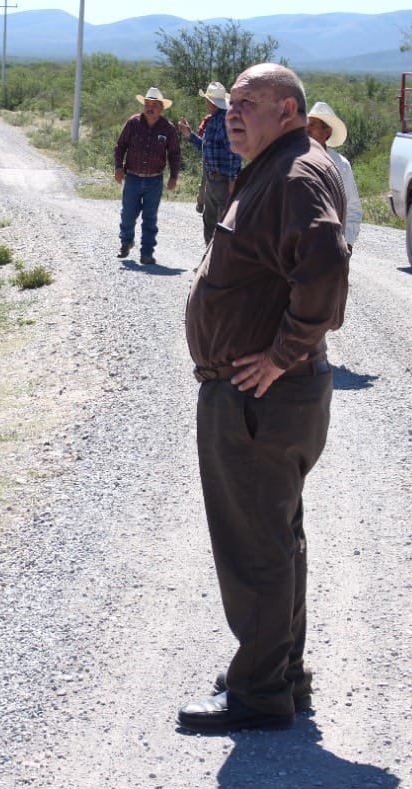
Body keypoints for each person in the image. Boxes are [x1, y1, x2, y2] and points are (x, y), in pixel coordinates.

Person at [178, 64, 350, 733]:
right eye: (230, 105)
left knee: (254, 546)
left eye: (247, 104)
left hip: (259, 398)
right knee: (276, 540)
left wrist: (283, 352)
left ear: (288, 109)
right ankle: (279, 673)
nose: (232, 113)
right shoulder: (284, 165)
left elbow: (327, 261)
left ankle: (257, 692)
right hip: (268, 399)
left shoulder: (296, 171)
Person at [113, 87, 181, 265]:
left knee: (150, 218)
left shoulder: (168, 129)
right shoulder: (133, 123)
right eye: (147, 104)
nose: (150, 108)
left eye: (154, 105)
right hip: (133, 177)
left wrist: (173, 177)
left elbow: (174, 154)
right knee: (128, 214)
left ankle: (147, 253)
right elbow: (120, 146)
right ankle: (126, 243)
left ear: (161, 108)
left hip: (155, 180)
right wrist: (118, 168)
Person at [178, 82, 241, 245]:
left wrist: (233, 178)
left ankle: (219, 263)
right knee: (210, 221)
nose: (205, 103)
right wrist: (190, 135)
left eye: (207, 100)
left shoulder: (225, 122)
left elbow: (234, 150)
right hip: (213, 179)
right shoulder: (214, 121)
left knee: (221, 223)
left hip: (222, 180)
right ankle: (210, 261)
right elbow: (206, 148)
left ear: (212, 103)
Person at [306, 101, 362, 246]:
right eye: (307, 124)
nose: (308, 129)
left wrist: (347, 243)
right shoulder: (294, 160)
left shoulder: (341, 165)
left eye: (313, 125)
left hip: (329, 245)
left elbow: (352, 208)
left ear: (327, 132)